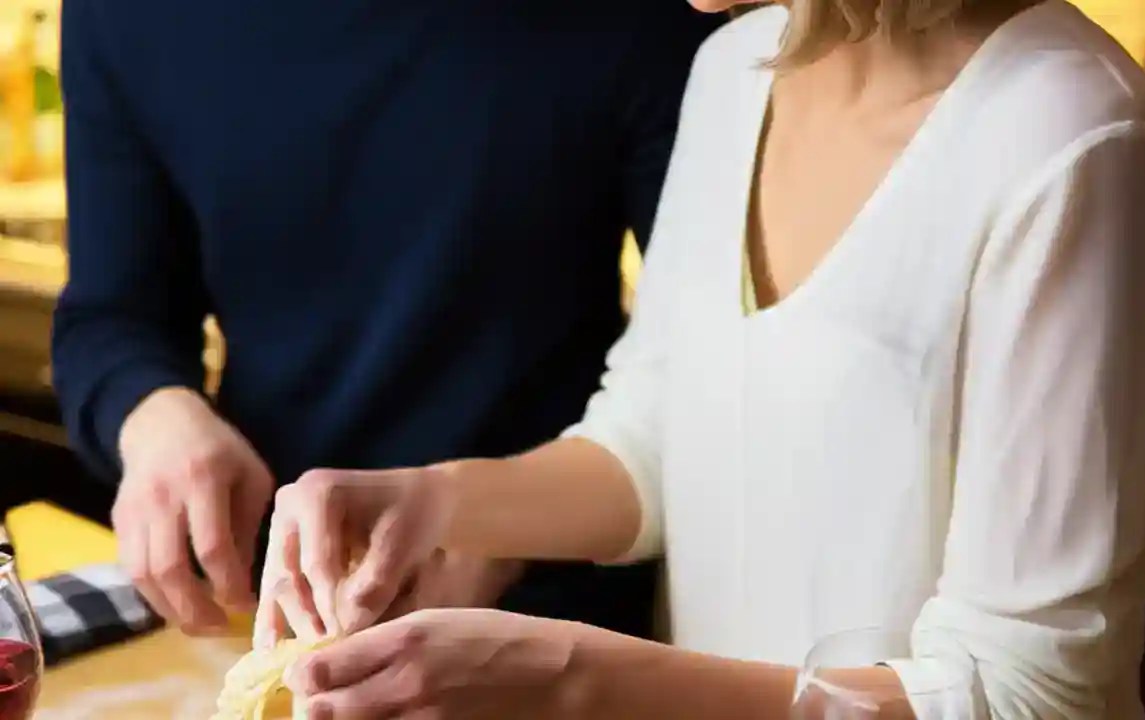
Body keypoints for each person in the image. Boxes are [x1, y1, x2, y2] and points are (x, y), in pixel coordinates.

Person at [259, 0, 1145, 718]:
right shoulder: (733, 71)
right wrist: (436, 503)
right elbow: (656, 442)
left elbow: (1026, 696)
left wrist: (571, 678)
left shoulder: (1080, 144)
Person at [51, 1, 720, 639]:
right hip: (276, 603)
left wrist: (504, 528)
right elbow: (111, 317)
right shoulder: (126, 13)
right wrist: (158, 420)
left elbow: (712, 361)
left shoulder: (653, 15)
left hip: (560, 604)